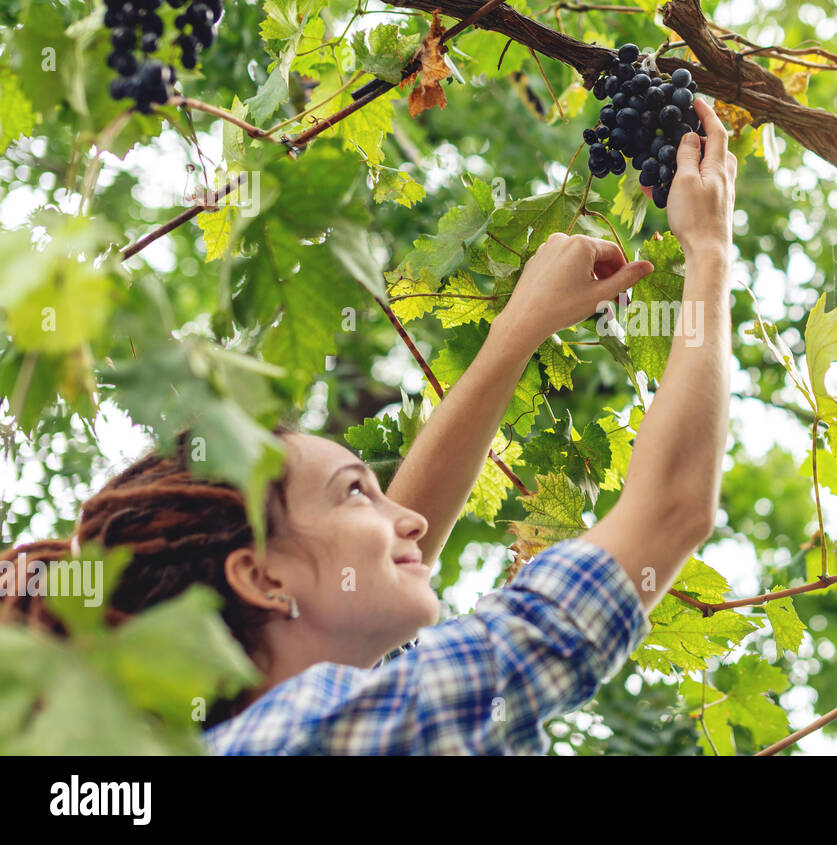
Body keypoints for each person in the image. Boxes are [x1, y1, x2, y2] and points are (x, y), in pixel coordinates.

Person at [0, 97, 737, 754]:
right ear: (261, 576)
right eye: (356, 490)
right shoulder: (305, 731)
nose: (409, 520)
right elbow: (668, 512)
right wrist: (707, 250)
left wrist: (518, 329)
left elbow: (392, 545)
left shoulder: (276, 728)